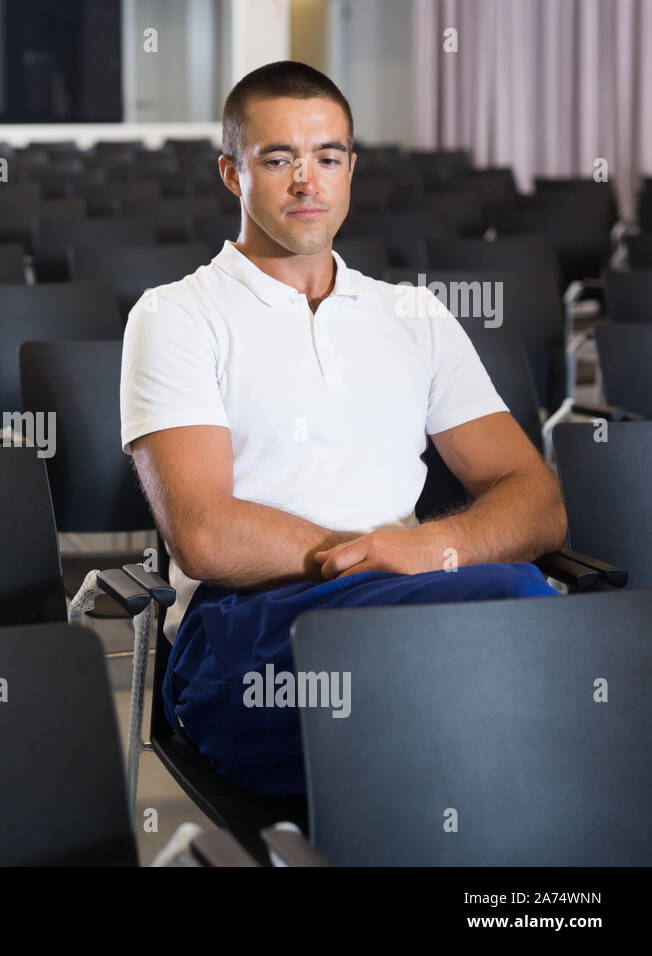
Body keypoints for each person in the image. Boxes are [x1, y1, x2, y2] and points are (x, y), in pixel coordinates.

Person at [120, 61, 567, 798]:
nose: (308, 182)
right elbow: (205, 534)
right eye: (279, 159)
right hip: (250, 632)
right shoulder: (174, 316)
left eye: (327, 157)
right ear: (233, 174)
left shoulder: (414, 314)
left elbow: (536, 500)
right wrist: (382, 557)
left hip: (419, 610)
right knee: (520, 636)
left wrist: (426, 549)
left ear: (351, 168)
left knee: (515, 690)